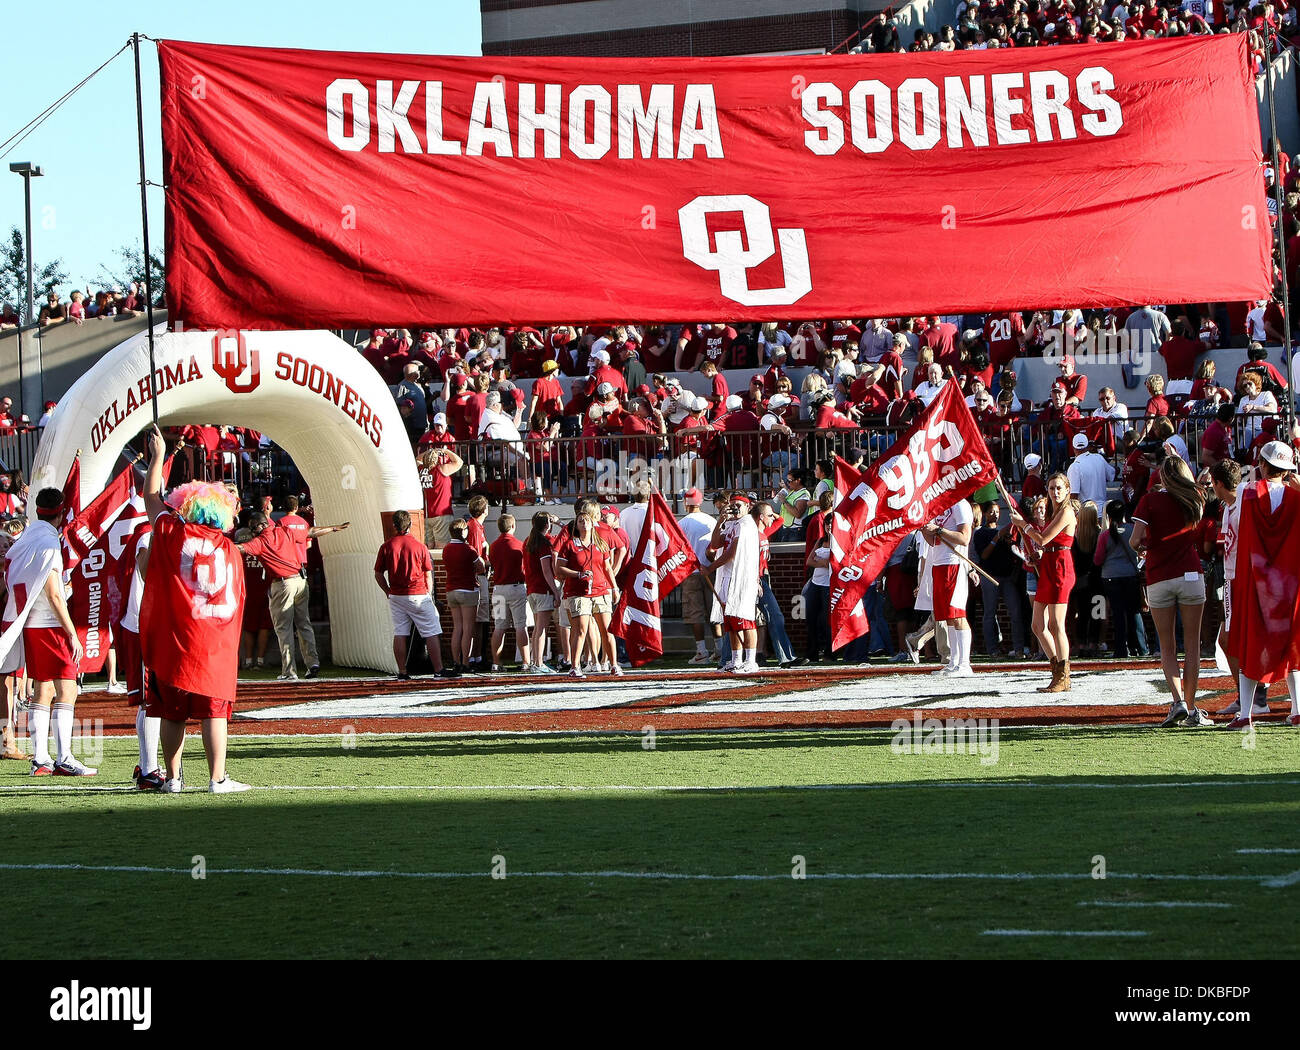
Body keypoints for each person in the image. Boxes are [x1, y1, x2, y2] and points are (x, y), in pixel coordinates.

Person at [138, 426, 247, 793]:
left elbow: (151, 497)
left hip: (178, 638)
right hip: (215, 641)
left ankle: (173, 779)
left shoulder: (173, 534)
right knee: (214, 712)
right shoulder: (230, 551)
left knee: (173, 712)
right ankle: (217, 778)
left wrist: (158, 456)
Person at [0, 488, 88, 775]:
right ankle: (64, 757)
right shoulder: (50, 542)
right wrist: (72, 633)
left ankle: (41, 759)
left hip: (31, 622)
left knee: (43, 689)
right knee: (67, 689)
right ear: (61, 513)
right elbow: (54, 594)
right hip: (51, 623)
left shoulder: (27, 537)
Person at [1221, 441, 1300, 730]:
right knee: (1293, 645)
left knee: (1250, 644)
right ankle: (1297, 710)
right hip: (1289, 584)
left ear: (1263, 464)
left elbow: (1235, 515)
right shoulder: (1296, 497)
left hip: (1255, 582)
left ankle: (1246, 714)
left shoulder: (1247, 492)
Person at [1131, 456, 1211, 727]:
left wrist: (1147, 544)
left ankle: (1177, 702)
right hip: (1191, 573)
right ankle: (1192, 707)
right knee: (1193, 645)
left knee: (1167, 646)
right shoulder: (1195, 497)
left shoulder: (1150, 500)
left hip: (1160, 575)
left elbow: (1134, 540)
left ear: (1162, 477)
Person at [236, 510, 349, 680]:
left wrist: (218, 544)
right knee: (304, 624)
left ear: (260, 525)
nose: (251, 532)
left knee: (284, 629)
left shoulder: (260, 541)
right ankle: (313, 663)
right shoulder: (285, 531)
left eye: (253, 528)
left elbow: (240, 548)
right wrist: (333, 528)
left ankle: (289, 671)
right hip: (300, 580)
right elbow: (311, 532)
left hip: (282, 584)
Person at [999, 472, 1076, 692]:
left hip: (1060, 567)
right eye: (1051, 488)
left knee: (1056, 624)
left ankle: (1063, 674)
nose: (1055, 492)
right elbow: (1046, 543)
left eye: (1059, 488)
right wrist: (1038, 555)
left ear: (1067, 489)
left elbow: (1043, 538)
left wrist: (1023, 524)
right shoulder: (1053, 511)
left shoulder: (1066, 511)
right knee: (1037, 625)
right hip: (1048, 563)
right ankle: (1056, 669)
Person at [1208, 461, 1270, 721]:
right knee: (1229, 640)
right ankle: (1251, 696)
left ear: (1219, 483)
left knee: (1234, 639)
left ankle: (1256, 697)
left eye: (1213, 482)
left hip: (1244, 579)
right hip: (1232, 578)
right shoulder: (1229, 506)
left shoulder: (1244, 499)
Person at [374, 510, 455, 681]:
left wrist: (387, 591)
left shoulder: (387, 546)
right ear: (410, 524)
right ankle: (438, 669)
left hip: (396, 595)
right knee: (431, 631)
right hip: (417, 593)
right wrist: (428, 593)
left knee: (400, 632)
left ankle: (402, 672)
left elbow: (378, 573)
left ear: (394, 525)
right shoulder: (419, 546)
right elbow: (427, 574)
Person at [554, 501, 615, 679]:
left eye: (587, 519)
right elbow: (558, 567)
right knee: (581, 629)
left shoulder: (601, 542)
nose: (585, 523)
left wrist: (614, 587)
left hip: (600, 589)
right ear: (576, 524)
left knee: (606, 629)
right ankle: (577, 665)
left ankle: (612, 663)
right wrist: (577, 574)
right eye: (580, 520)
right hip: (578, 591)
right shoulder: (570, 544)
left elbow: (609, 565)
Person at [704, 492, 762, 673]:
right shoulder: (731, 524)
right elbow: (715, 544)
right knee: (730, 620)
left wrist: (710, 568)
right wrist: (719, 522)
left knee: (745, 619)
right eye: (733, 504)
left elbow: (732, 553)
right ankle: (736, 659)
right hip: (728, 577)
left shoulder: (746, 524)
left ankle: (751, 660)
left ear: (747, 506)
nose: (735, 508)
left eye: (739, 504)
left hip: (742, 577)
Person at [921, 498, 975, 676]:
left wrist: (938, 529)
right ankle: (954, 661)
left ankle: (964, 664)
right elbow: (933, 541)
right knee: (947, 617)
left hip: (954, 563)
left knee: (958, 614)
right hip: (939, 563)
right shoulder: (940, 504)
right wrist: (924, 528)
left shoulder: (960, 505)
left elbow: (964, 538)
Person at [1094, 500, 1144, 659]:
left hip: (1111, 577)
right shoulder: (1132, 530)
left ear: (1108, 516)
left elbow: (1098, 560)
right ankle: (1139, 646)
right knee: (1133, 612)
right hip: (1130, 574)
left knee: (1118, 614)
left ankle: (1121, 648)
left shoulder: (1105, 535)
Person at [677, 488, 719, 665]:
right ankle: (719, 648)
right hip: (710, 569)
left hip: (692, 572)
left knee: (695, 613)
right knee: (714, 610)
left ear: (686, 503)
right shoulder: (711, 521)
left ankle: (702, 651)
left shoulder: (682, 523)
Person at [522, 512, 566, 673]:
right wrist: (555, 592)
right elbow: (547, 571)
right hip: (542, 589)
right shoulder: (544, 543)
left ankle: (535, 661)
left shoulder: (528, 541)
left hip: (532, 589)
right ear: (547, 525)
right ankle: (539, 662)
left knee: (537, 628)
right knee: (541, 628)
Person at [488, 514, 532, 671]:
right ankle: (526, 662)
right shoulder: (519, 545)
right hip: (516, 588)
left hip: (499, 589)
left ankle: (496, 662)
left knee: (499, 627)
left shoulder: (493, 546)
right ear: (513, 526)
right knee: (520, 626)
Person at [442, 518, 484, 674]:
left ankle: (456, 662)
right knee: (468, 628)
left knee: (457, 627)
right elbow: (480, 568)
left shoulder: (446, 549)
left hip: (451, 590)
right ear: (463, 531)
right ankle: (466, 662)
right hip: (468, 589)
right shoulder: (468, 549)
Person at [1067, 433, 1114, 510]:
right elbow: (1112, 475)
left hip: (1086, 512)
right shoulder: (1099, 458)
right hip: (1103, 510)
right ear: (1087, 446)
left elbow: (1073, 496)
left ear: (1073, 447)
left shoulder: (1074, 467)